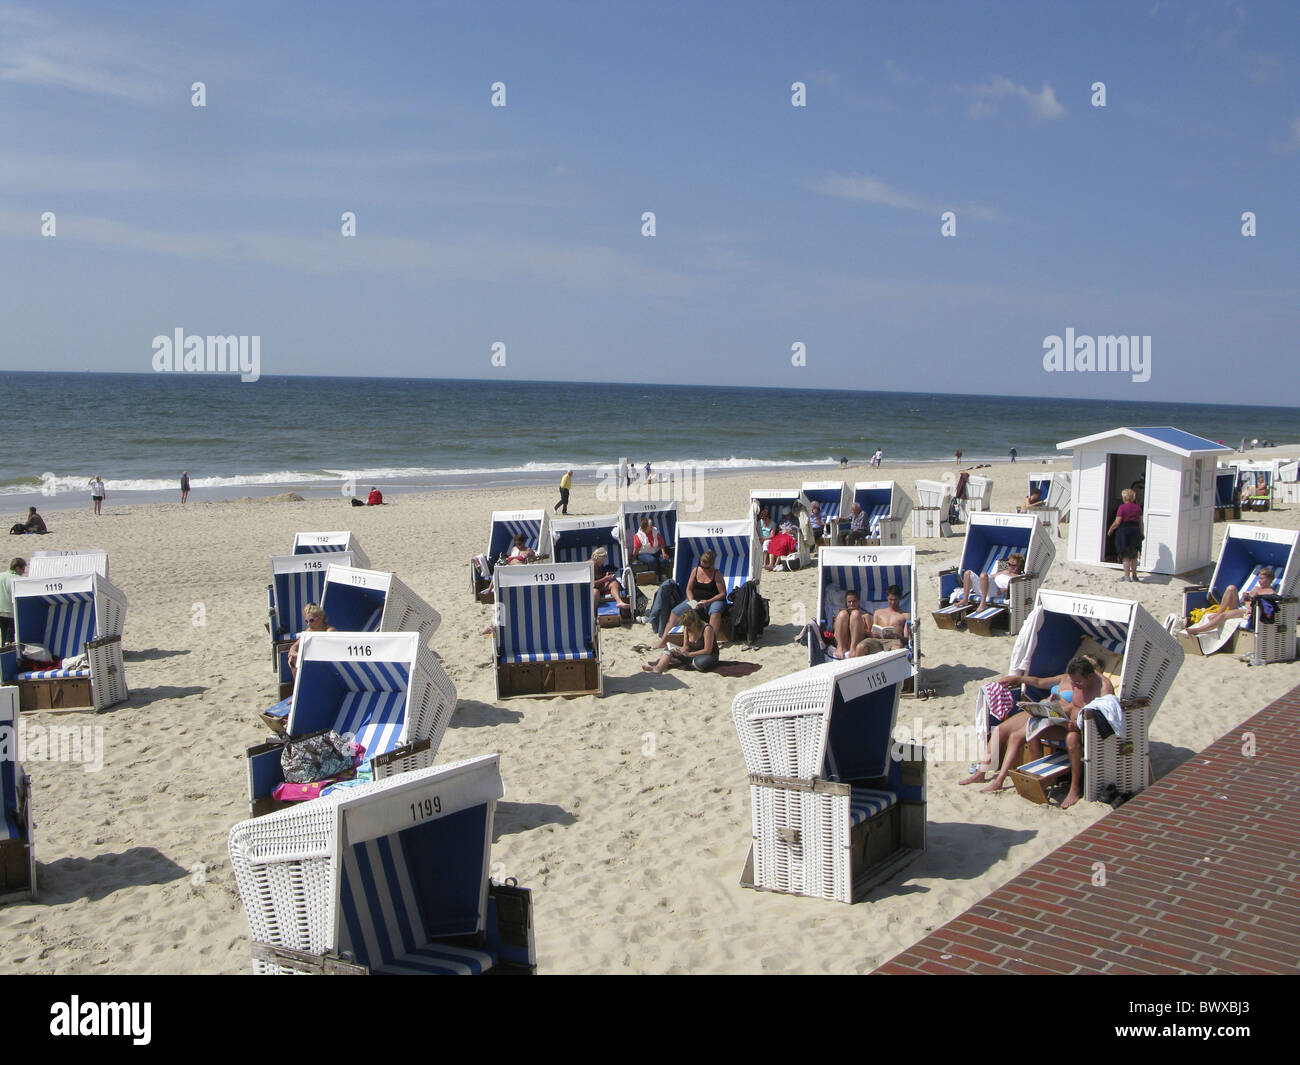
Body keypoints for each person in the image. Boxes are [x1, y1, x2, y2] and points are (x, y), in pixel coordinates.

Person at [959, 655, 1114, 791]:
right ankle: (981, 773)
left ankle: (1000, 780)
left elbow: (1076, 709)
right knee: (999, 730)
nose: (1084, 659)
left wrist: (1059, 703)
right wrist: (1018, 679)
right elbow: (1039, 682)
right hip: (1042, 709)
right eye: (1084, 657)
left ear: (1093, 671)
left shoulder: (1087, 686)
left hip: (1055, 717)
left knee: (1017, 736)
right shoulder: (1068, 677)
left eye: (1090, 661)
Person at [652, 548, 727, 645]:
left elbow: (722, 593)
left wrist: (708, 601)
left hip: (713, 599)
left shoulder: (716, 574)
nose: (703, 569)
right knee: (675, 612)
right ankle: (663, 640)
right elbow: (689, 589)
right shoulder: (695, 571)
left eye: (706, 568)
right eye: (702, 566)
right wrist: (692, 601)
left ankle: (711, 642)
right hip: (695, 599)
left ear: (711, 565)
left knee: (715, 612)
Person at [1178, 568, 1276, 637]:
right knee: (1231, 588)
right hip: (1241, 606)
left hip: (1246, 611)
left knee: (1223, 616)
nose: (1259, 581)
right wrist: (1246, 596)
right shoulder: (1256, 588)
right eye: (1258, 578)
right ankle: (1218, 613)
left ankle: (1197, 630)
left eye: (1262, 579)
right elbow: (1245, 600)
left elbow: (1265, 608)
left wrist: (1251, 607)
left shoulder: (1270, 593)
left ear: (1269, 579)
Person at [642, 607, 717, 674]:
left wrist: (689, 654)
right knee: (668, 648)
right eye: (685, 625)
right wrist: (681, 651)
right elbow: (686, 646)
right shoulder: (686, 628)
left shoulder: (707, 629)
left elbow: (708, 650)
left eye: (689, 625)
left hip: (707, 655)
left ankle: (678, 661)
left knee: (700, 663)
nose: (687, 627)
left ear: (695, 622)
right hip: (692, 653)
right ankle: (658, 668)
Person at [950, 553, 1025, 606]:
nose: (1009, 566)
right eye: (1009, 564)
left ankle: (983, 603)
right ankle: (965, 600)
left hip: (997, 592)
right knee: (968, 573)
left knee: (983, 575)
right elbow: (990, 577)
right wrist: (977, 582)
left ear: (1018, 566)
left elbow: (1017, 588)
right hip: (985, 590)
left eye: (1013, 565)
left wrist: (1004, 589)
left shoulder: (1017, 577)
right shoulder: (1004, 572)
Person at [286, 603, 336, 675]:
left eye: (311, 620)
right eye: (306, 621)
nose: (308, 624)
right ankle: (298, 685)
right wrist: (295, 655)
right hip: (315, 660)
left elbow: (329, 652)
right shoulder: (309, 631)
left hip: (329, 664)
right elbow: (294, 647)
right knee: (293, 659)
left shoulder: (329, 631)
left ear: (321, 618)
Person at [1107, 488, 1143, 582]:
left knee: (1126, 555)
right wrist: (1142, 533)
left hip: (1125, 533)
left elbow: (1117, 522)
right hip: (1135, 532)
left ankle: (1126, 576)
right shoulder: (1138, 508)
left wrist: (1111, 529)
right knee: (1134, 555)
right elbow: (1141, 523)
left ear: (1125, 497)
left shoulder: (1122, 508)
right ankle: (1134, 576)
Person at [590, 547, 631, 614]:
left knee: (614, 583)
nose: (603, 562)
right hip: (591, 589)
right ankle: (594, 614)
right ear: (599, 558)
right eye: (603, 560)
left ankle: (619, 602)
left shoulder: (597, 566)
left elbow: (598, 578)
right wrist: (605, 579)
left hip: (599, 587)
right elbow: (590, 584)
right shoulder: (590, 565)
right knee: (596, 592)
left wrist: (605, 575)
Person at [0, 557, 27, 644]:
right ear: (17, 568)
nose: (23, 572)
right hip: (11, 611)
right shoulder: (18, 579)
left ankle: (2, 656)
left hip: (0, 610)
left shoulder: (1, 576)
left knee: (3, 635)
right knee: (10, 638)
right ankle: (7, 656)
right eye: (23, 569)